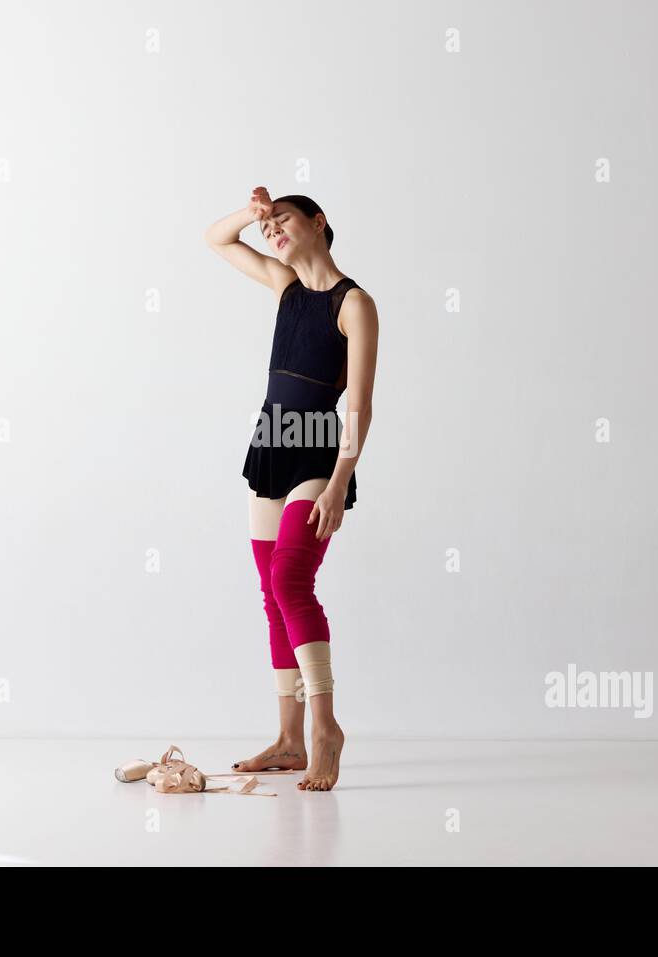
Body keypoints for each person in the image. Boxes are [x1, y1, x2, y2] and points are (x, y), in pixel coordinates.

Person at [203, 187, 379, 791]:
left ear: (319, 222)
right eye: (268, 222)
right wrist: (250, 213)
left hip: (317, 448)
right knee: (269, 591)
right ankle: (287, 738)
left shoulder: (353, 303)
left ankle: (325, 728)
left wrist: (338, 485)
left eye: (282, 219)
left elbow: (359, 405)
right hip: (271, 441)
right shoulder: (284, 287)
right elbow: (216, 238)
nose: (272, 229)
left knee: (290, 580)